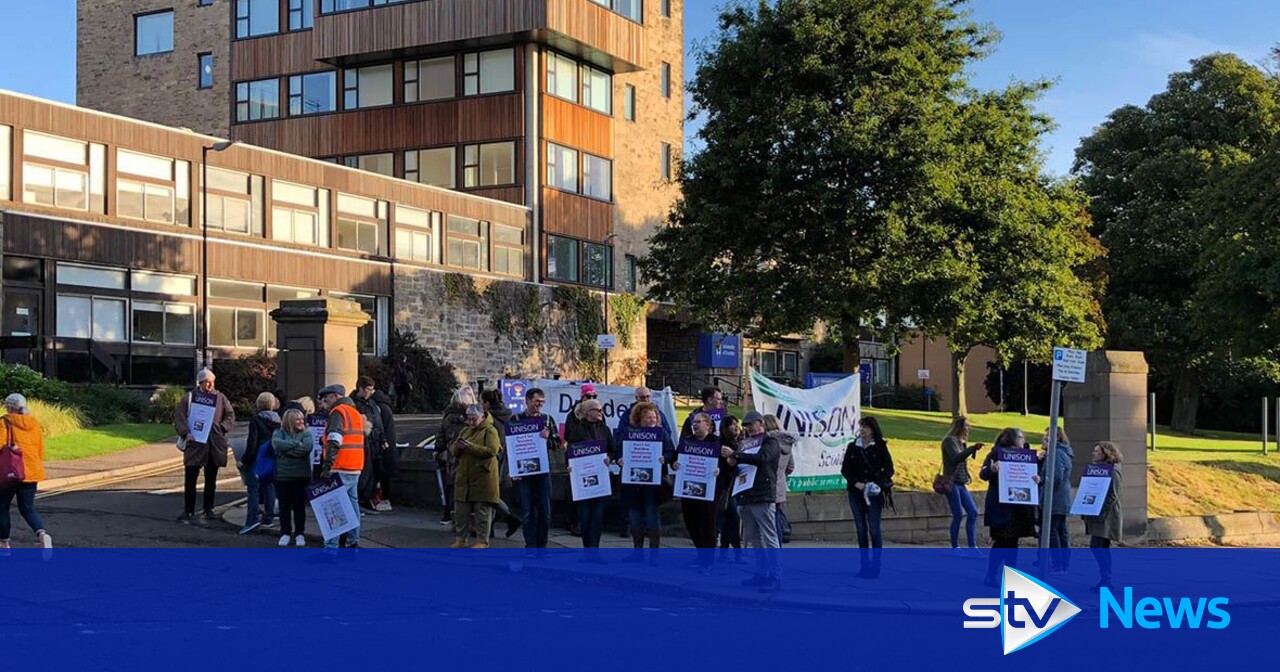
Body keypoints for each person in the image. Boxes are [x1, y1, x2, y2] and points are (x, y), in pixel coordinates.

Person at [723, 410, 782, 592]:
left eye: (751, 425)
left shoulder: (770, 441)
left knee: (769, 536)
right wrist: (733, 463)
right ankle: (761, 572)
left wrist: (736, 455)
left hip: (762, 494)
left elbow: (763, 459)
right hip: (746, 494)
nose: (748, 429)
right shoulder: (745, 443)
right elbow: (740, 468)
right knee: (755, 538)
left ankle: (775, 576)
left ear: (761, 423)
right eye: (746, 426)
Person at [979, 428, 1042, 587]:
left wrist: (1038, 479)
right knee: (1002, 542)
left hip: (1019, 508)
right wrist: (992, 470)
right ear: (1011, 438)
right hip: (1001, 507)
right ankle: (991, 575)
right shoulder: (996, 454)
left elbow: (1035, 475)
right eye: (1020, 437)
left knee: (1013, 543)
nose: (1023, 440)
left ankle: (1010, 578)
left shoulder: (1027, 455)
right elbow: (983, 473)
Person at [173, 368, 236, 524]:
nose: (209, 385)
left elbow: (230, 415)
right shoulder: (189, 398)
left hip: (213, 444)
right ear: (199, 383)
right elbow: (179, 417)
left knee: (211, 479)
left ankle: (209, 509)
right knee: (190, 478)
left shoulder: (220, 397)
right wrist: (186, 433)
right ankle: (188, 510)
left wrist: (221, 427)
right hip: (194, 443)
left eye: (211, 382)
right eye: (206, 382)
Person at [617, 401, 674, 565]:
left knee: (651, 517)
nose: (652, 420)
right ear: (639, 419)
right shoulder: (629, 433)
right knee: (635, 518)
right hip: (633, 484)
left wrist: (665, 458)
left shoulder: (661, 433)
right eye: (649, 418)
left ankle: (654, 553)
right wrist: (620, 459)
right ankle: (637, 551)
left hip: (653, 485)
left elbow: (671, 451)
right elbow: (619, 449)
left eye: (654, 417)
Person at [841, 416, 895, 579]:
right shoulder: (853, 447)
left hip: (873, 492)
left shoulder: (879, 446)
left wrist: (877, 483)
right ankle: (864, 565)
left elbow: (889, 468)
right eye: (861, 426)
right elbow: (845, 469)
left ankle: (876, 565)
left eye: (865, 426)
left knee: (874, 529)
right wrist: (856, 483)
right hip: (856, 491)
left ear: (872, 429)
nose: (862, 429)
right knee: (861, 529)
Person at [512, 387, 562, 555]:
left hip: (542, 471)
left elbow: (558, 444)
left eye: (542, 402)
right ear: (527, 401)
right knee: (527, 512)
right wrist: (513, 470)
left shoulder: (547, 419)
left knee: (545, 512)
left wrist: (548, 440)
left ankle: (542, 545)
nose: (540, 405)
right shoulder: (516, 419)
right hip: (524, 472)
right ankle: (530, 546)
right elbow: (511, 445)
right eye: (536, 402)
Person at [0, 394, 51, 551]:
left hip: (10, 472)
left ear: (10, 407)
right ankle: (42, 534)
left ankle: (4, 543)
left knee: (2, 507)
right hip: (31, 472)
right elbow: (40, 449)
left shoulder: (4, 422)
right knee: (27, 508)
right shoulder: (34, 423)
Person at [565, 398, 613, 562]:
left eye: (601, 410)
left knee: (598, 517)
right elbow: (570, 452)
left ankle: (595, 551)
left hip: (601, 479)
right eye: (597, 410)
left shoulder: (605, 429)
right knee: (585, 517)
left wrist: (609, 458)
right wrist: (570, 465)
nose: (601, 412)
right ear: (588, 413)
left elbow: (612, 449)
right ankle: (587, 550)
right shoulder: (577, 430)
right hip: (583, 480)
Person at [672, 411, 721, 573]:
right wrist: (674, 464)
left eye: (698, 422)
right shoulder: (687, 441)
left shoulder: (716, 442)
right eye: (694, 422)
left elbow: (726, 464)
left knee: (707, 525)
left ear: (708, 425)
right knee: (692, 524)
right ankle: (701, 555)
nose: (695, 424)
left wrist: (720, 469)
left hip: (709, 492)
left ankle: (708, 560)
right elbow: (675, 457)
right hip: (689, 491)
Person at [318, 384, 365, 550]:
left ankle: (331, 547)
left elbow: (334, 440)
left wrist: (327, 467)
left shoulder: (338, 412)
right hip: (355, 465)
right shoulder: (355, 412)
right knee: (352, 504)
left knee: (333, 506)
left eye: (327, 397)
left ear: (336, 396)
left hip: (340, 465)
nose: (325, 401)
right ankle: (353, 540)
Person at [449, 404, 502, 549]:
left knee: (482, 512)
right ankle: (461, 539)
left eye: (474, 419)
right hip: (464, 477)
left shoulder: (490, 431)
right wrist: (457, 447)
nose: (471, 422)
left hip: (483, 477)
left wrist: (469, 447)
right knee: (461, 512)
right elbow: (453, 451)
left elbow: (492, 450)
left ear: (482, 417)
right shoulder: (465, 430)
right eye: (469, 419)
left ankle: (482, 541)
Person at [481, 389, 523, 539]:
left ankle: (510, 518)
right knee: (492, 493)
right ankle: (491, 527)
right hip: (506, 459)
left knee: (488, 493)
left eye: (482, 402)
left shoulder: (488, 418)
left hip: (493, 459)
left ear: (487, 403)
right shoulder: (509, 416)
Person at [238, 391, 280, 535]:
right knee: (269, 487)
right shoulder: (279, 420)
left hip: (258, 458)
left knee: (253, 489)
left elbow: (252, 442)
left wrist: (244, 460)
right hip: (272, 457)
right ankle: (268, 518)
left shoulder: (256, 419)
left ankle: (252, 520)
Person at [1084, 441, 1123, 590]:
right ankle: (1106, 579)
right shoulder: (1097, 469)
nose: (1093, 453)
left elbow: (1113, 495)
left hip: (1106, 515)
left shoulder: (1113, 471)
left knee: (1098, 546)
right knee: (1100, 546)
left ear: (1105, 454)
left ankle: (1107, 578)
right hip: (1098, 513)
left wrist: (1100, 511)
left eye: (1097, 451)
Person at [272, 408, 314, 547]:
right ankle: (285, 533)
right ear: (290, 421)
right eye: (298, 419)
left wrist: (286, 452)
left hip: (301, 476)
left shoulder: (306, 433)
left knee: (299, 507)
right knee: (284, 507)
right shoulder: (278, 433)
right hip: (283, 476)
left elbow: (306, 448)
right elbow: (277, 445)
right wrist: (296, 444)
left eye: (302, 419)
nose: (301, 421)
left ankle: (300, 533)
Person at [941, 416, 983, 554]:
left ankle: (972, 547)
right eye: (966, 425)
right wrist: (971, 449)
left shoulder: (961, 442)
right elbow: (956, 458)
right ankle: (955, 546)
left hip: (961, 482)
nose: (969, 428)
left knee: (973, 512)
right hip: (951, 482)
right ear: (959, 427)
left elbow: (962, 462)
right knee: (958, 514)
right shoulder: (949, 441)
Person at [434, 387, 476, 525]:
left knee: (450, 486)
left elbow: (440, 438)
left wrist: (439, 450)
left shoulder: (447, 417)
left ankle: (448, 514)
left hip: (451, 456)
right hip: (467, 456)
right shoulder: (470, 418)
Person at [1039, 426, 1074, 574]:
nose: (1043, 439)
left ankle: (1058, 564)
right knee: (1060, 530)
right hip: (1060, 498)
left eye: (1047, 437)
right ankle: (1063, 564)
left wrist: (1042, 480)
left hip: (1055, 499)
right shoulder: (1060, 452)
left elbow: (1056, 477)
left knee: (1053, 531)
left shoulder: (1057, 454)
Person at [352, 376, 386, 514]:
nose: (371, 392)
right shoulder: (354, 404)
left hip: (375, 442)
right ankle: (362, 500)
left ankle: (368, 498)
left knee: (375, 473)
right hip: (363, 442)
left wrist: (383, 439)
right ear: (361, 389)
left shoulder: (371, 403)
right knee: (364, 474)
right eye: (369, 389)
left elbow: (378, 422)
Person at [763, 414, 796, 543]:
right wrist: (781, 474)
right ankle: (778, 548)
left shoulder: (767, 442)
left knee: (769, 522)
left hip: (767, 484)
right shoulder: (786, 442)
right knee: (776, 516)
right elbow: (791, 467)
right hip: (780, 485)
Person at [716, 415, 744, 564]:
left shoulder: (738, 443)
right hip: (727, 487)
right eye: (732, 424)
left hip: (735, 487)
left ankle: (725, 551)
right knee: (732, 519)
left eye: (736, 423)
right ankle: (736, 552)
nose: (736, 427)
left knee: (729, 521)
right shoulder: (724, 444)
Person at [371, 389, 398, 512]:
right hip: (388, 445)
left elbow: (378, 427)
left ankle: (383, 500)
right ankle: (385, 499)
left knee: (380, 474)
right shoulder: (385, 406)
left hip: (382, 445)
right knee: (385, 475)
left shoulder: (377, 407)